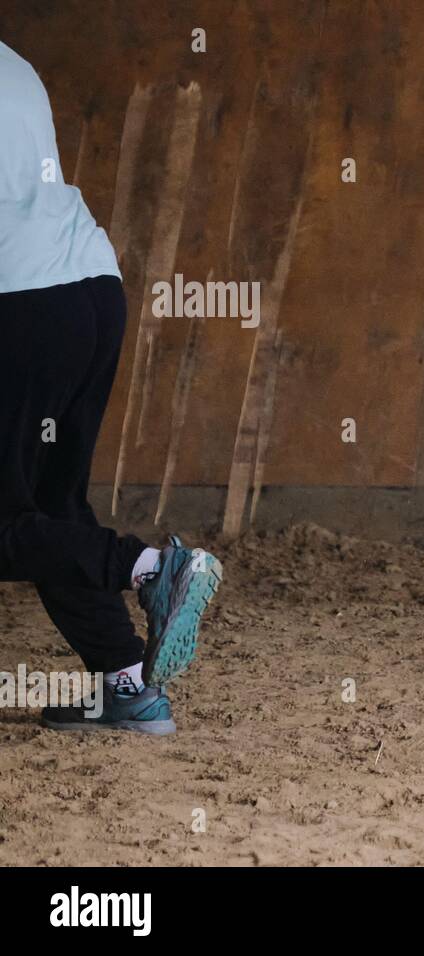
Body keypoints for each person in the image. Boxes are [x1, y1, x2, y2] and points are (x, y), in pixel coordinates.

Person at [0, 39, 222, 734]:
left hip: (21, 299)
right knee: (53, 505)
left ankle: (153, 567)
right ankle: (126, 684)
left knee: (6, 522)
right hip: (90, 288)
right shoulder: (16, 65)